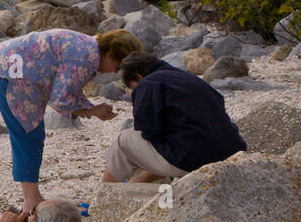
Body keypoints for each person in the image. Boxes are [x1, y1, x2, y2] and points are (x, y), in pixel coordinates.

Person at [0, 28, 142, 214]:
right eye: (118, 65)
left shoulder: (87, 46)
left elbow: (68, 86)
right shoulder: (85, 57)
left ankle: (32, 198)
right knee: (28, 134)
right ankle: (30, 202)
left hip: (6, 64)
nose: (116, 71)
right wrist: (93, 110)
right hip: (9, 74)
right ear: (110, 53)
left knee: (29, 134)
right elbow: (60, 100)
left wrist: (92, 108)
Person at [103, 52, 247, 183]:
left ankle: (102, 198)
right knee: (175, 143)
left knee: (123, 142)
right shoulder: (190, 78)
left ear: (138, 77)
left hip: (196, 159)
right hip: (232, 152)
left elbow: (148, 131)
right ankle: (141, 183)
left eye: (133, 87)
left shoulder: (148, 84)